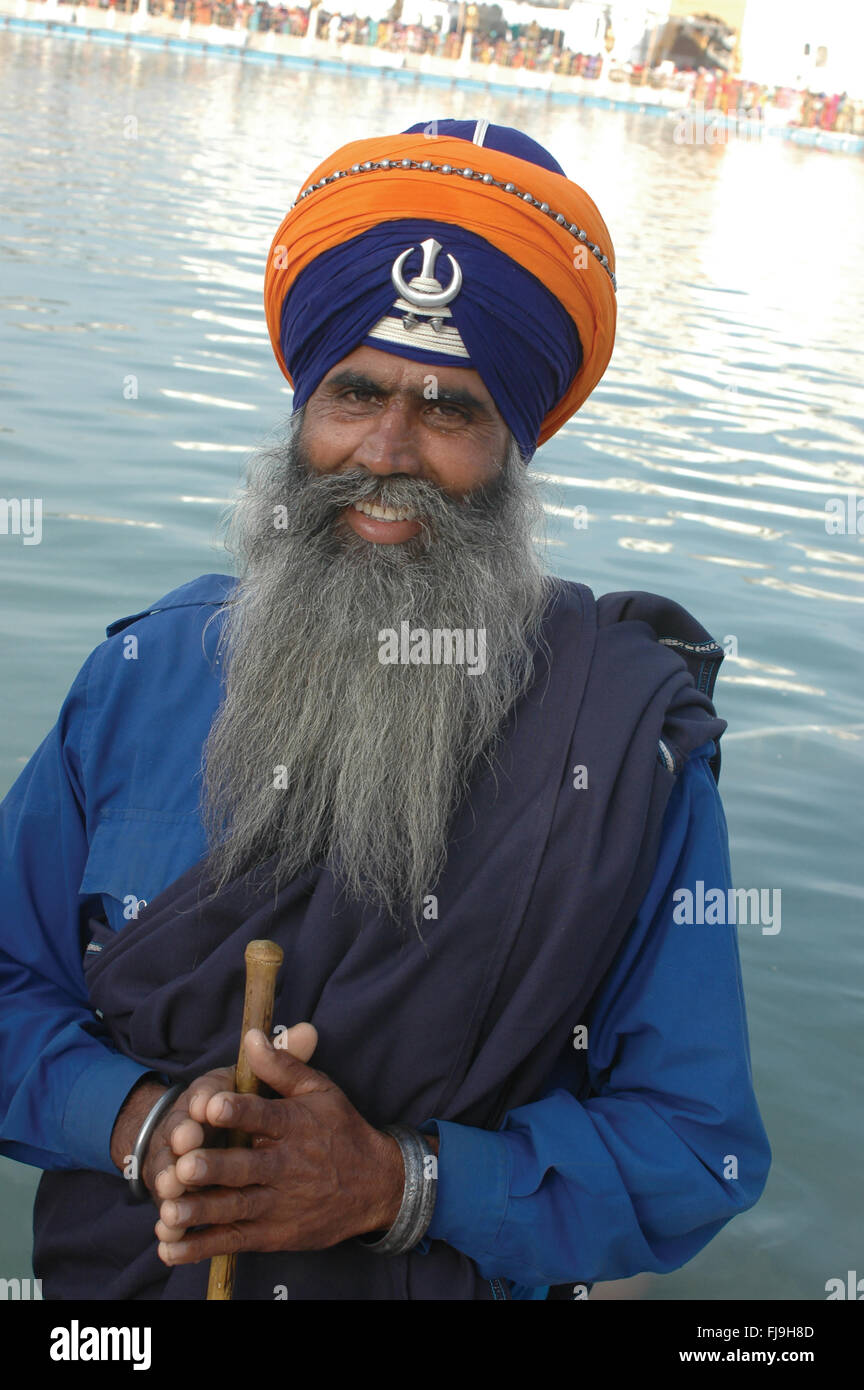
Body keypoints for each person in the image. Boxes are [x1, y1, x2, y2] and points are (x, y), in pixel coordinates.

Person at [0, 119, 770, 1301]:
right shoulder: (146, 675)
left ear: (514, 448)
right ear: (302, 414)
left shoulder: (617, 744)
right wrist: (143, 1122)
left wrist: (399, 1187)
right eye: (353, 393)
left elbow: (698, 1147)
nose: (388, 451)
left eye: (449, 409)